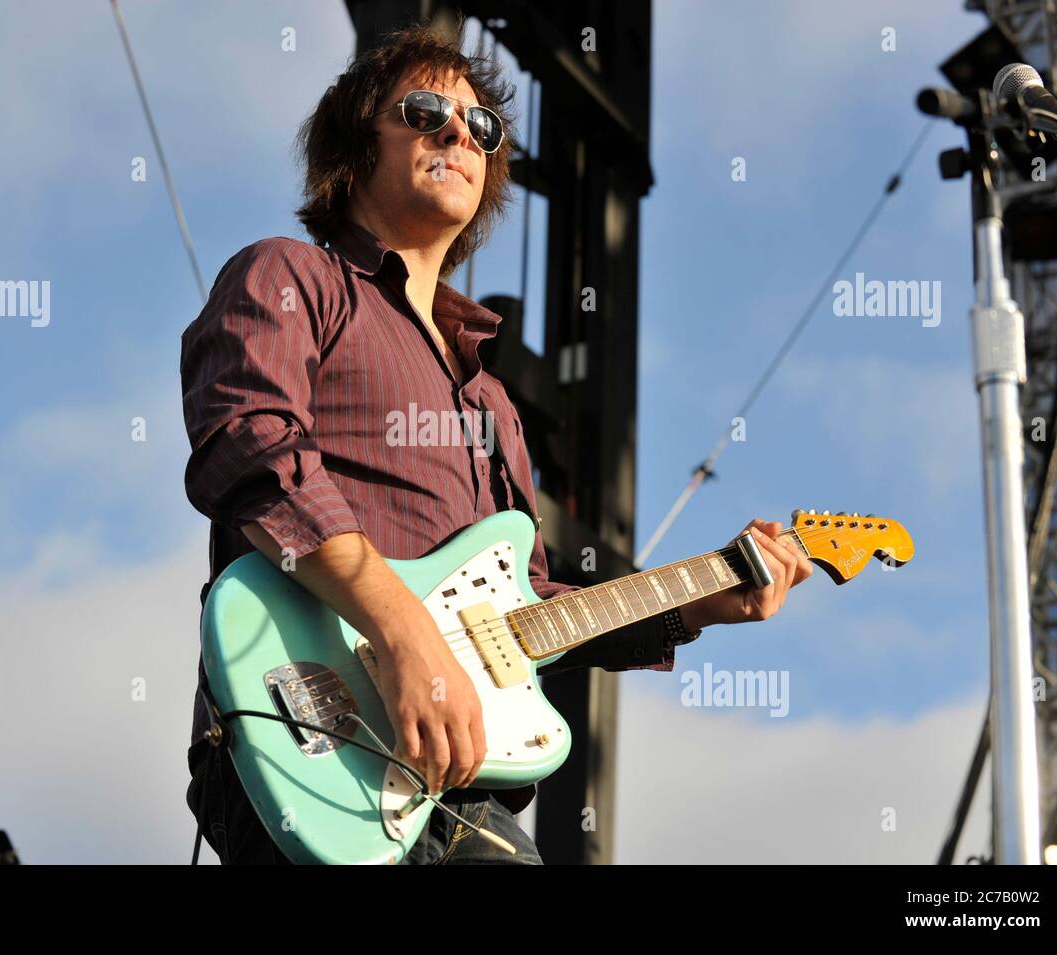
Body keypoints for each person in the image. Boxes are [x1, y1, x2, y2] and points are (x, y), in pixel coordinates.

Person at [179, 23, 813, 865]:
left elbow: (527, 611)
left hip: (460, 782)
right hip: (313, 741)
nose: (459, 133)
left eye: (483, 128)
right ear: (355, 141)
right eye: (426, 109)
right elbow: (250, 440)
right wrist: (405, 634)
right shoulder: (293, 276)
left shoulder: (492, 403)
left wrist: (703, 596)